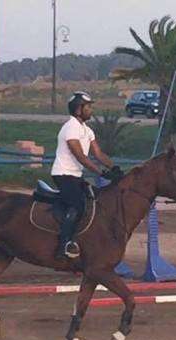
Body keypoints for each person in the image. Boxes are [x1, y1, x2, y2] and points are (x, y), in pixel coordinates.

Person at [50, 91, 123, 259]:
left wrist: (115, 168)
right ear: (78, 110)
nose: (91, 110)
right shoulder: (70, 128)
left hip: (75, 176)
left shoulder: (87, 130)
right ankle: (64, 245)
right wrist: (102, 173)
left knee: (95, 201)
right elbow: (80, 156)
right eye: (88, 107)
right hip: (63, 174)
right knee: (78, 205)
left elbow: (98, 154)